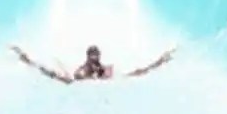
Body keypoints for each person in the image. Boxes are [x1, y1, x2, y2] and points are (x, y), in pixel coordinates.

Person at [10, 44, 174, 84]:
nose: (95, 63)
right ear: (87, 60)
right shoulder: (79, 75)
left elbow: (136, 73)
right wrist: (28, 61)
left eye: (97, 59)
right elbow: (51, 73)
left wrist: (159, 62)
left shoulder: (106, 74)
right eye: (92, 60)